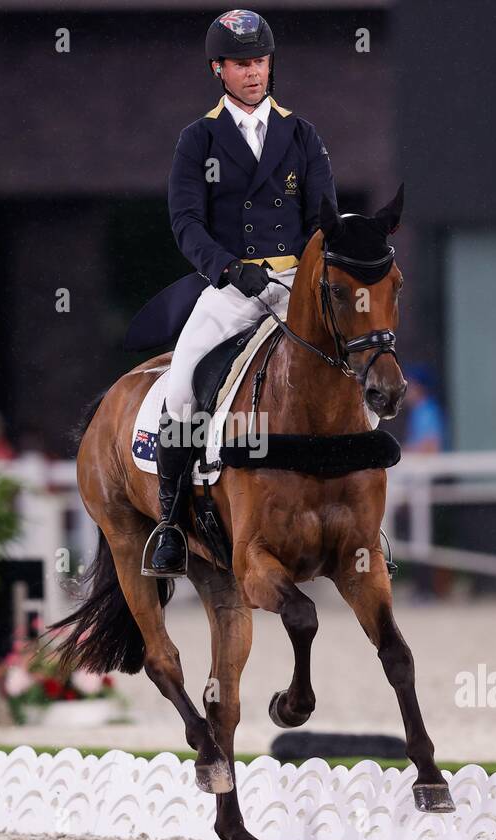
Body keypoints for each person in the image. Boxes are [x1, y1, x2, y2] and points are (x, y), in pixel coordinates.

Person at [148, 8, 337, 576]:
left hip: (293, 285)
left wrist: (302, 274)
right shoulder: (198, 139)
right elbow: (186, 223)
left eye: (259, 62)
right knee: (181, 388)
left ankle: (362, 517)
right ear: (218, 69)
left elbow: (322, 217)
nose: (253, 73)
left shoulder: (302, 135)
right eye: (240, 64)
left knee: (350, 371)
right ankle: (170, 523)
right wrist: (230, 269)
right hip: (230, 289)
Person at [402, 362, 446, 453]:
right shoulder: (417, 411)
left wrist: (400, 453)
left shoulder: (428, 412)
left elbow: (430, 448)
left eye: (409, 385)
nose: (405, 390)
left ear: (419, 388)